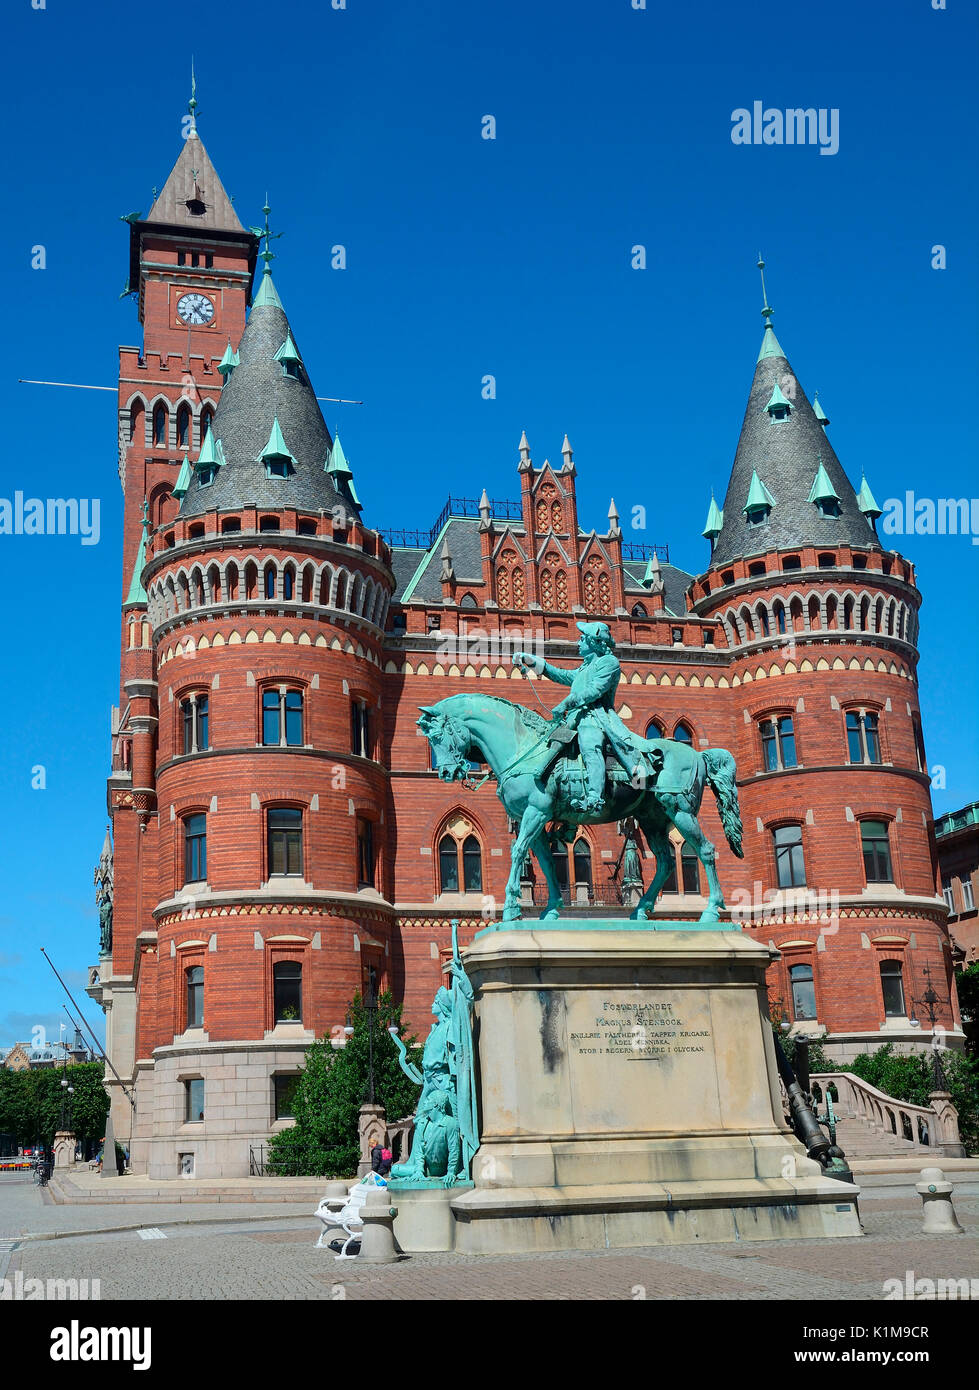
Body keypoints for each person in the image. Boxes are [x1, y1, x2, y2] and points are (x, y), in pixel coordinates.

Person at [515, 622, 643, 813]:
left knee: (590, 744)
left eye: (582, 638)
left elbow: (595, 691)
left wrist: (566, 703)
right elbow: (560, 675)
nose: (578, 642)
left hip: (596, 716)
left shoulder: (609, 663)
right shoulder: (584, 668)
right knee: (550, 743)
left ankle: (595, 797)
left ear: (593, 641)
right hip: (576, 717)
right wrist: (531, 660)